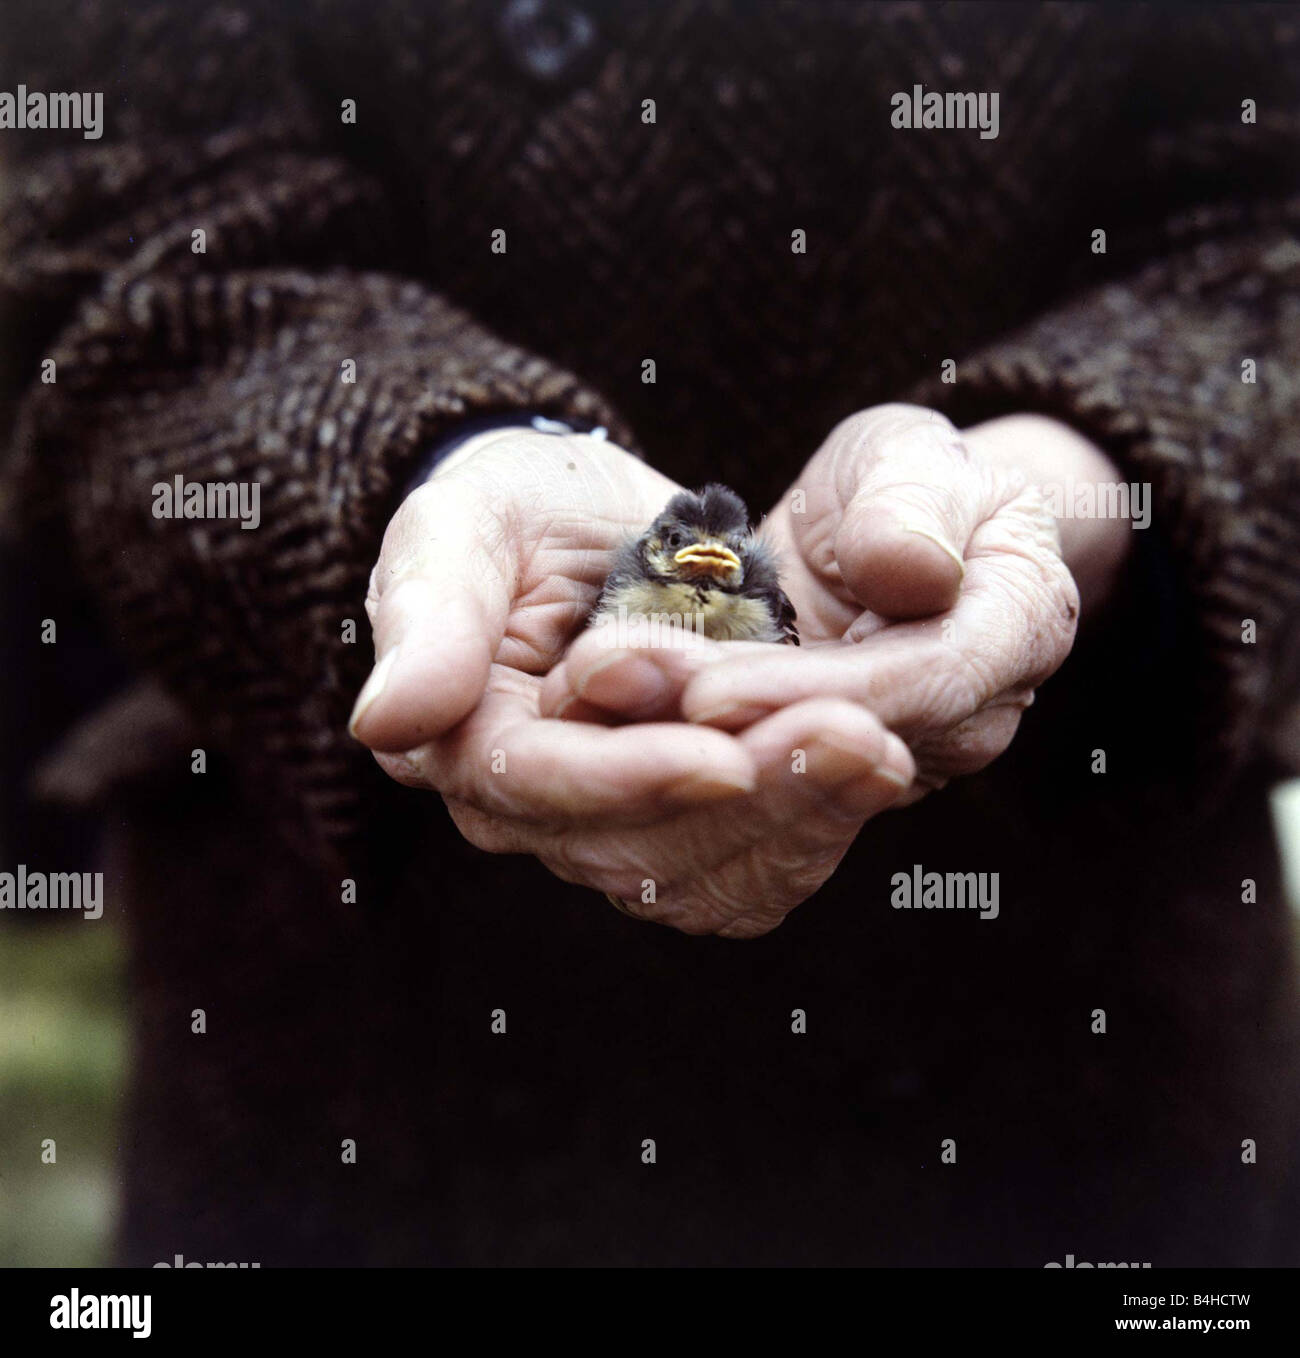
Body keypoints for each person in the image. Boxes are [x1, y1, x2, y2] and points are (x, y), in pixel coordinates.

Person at [3, 0, 1298, 1265]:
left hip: (1080, 1044)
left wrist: (1080, 481)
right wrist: (424, 469)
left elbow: (1267, 233)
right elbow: (119, 244)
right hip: (355, 1041)